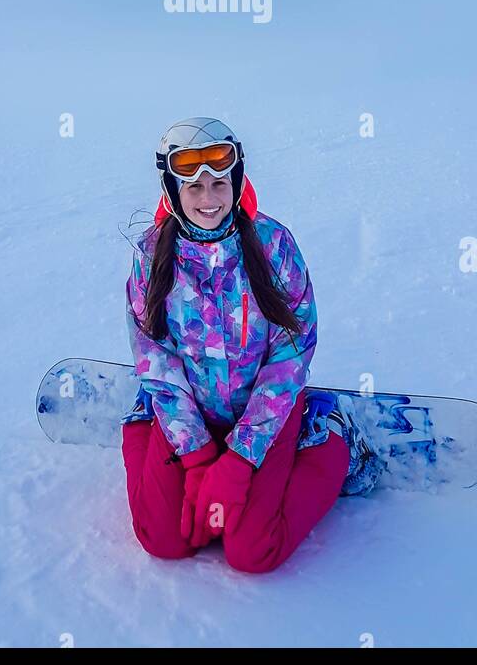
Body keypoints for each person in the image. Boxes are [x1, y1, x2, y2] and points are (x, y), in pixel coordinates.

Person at [120, 116, 356, 574]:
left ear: (237, 178)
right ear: (172, 190)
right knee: (164, 540)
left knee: (252, 552)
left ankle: (329, 441)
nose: (209, 199)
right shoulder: (152, 255)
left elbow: (292, 350)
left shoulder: (273, 245)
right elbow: (154, 357)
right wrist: (196, 455)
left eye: (219, 183)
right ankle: (142, 424)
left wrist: (241, 459)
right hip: (192, 415)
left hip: (264, 413)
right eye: (194, 188)